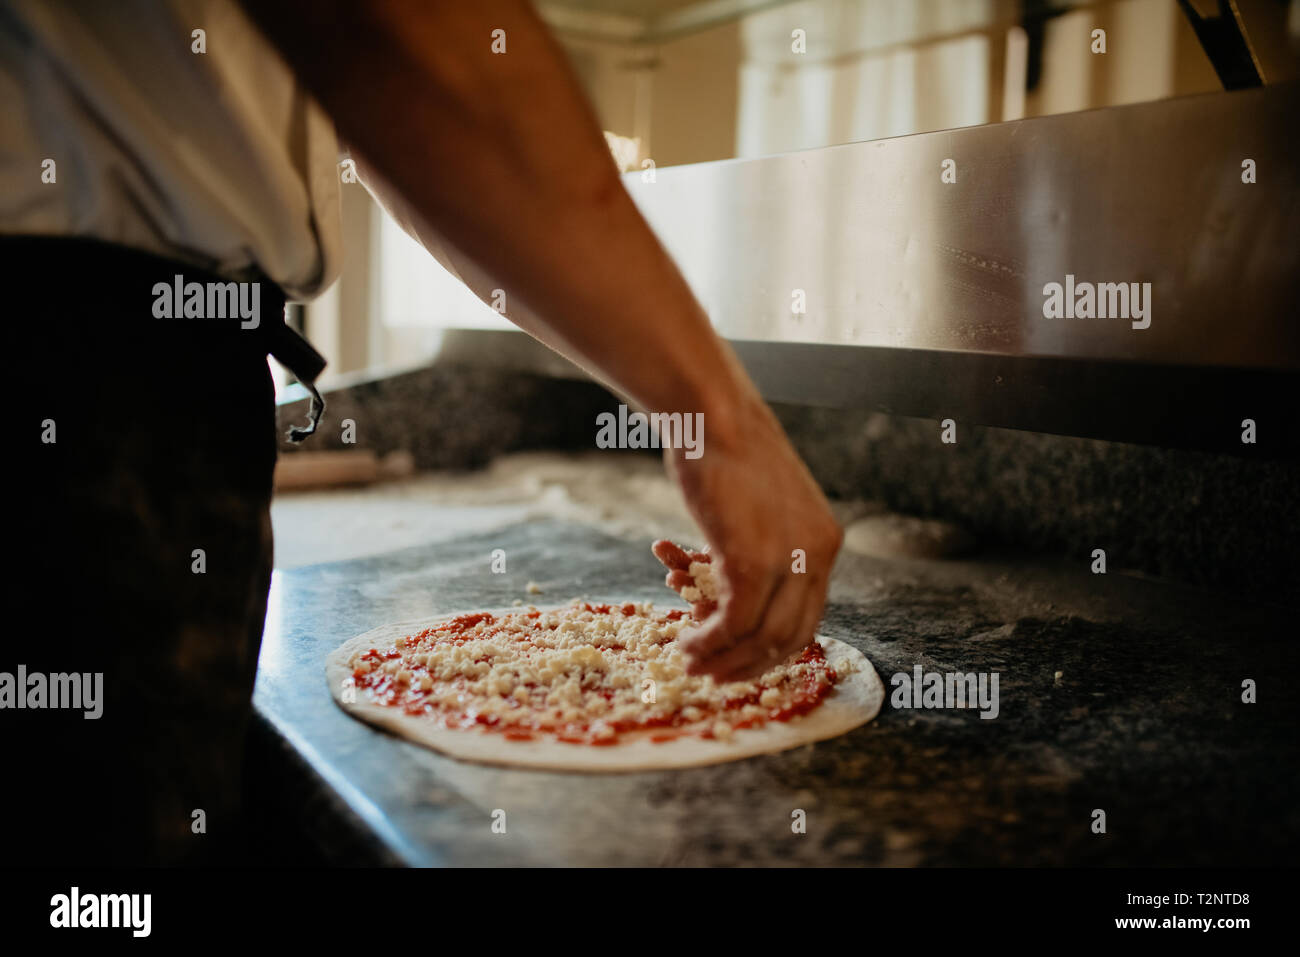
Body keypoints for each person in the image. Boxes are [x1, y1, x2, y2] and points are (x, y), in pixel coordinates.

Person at [1, 0, 840, 865]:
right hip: (77, 353)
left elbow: (424, 136)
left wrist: (690, 404)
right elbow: (408, 38)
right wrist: (723, 420)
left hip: (119, 355)